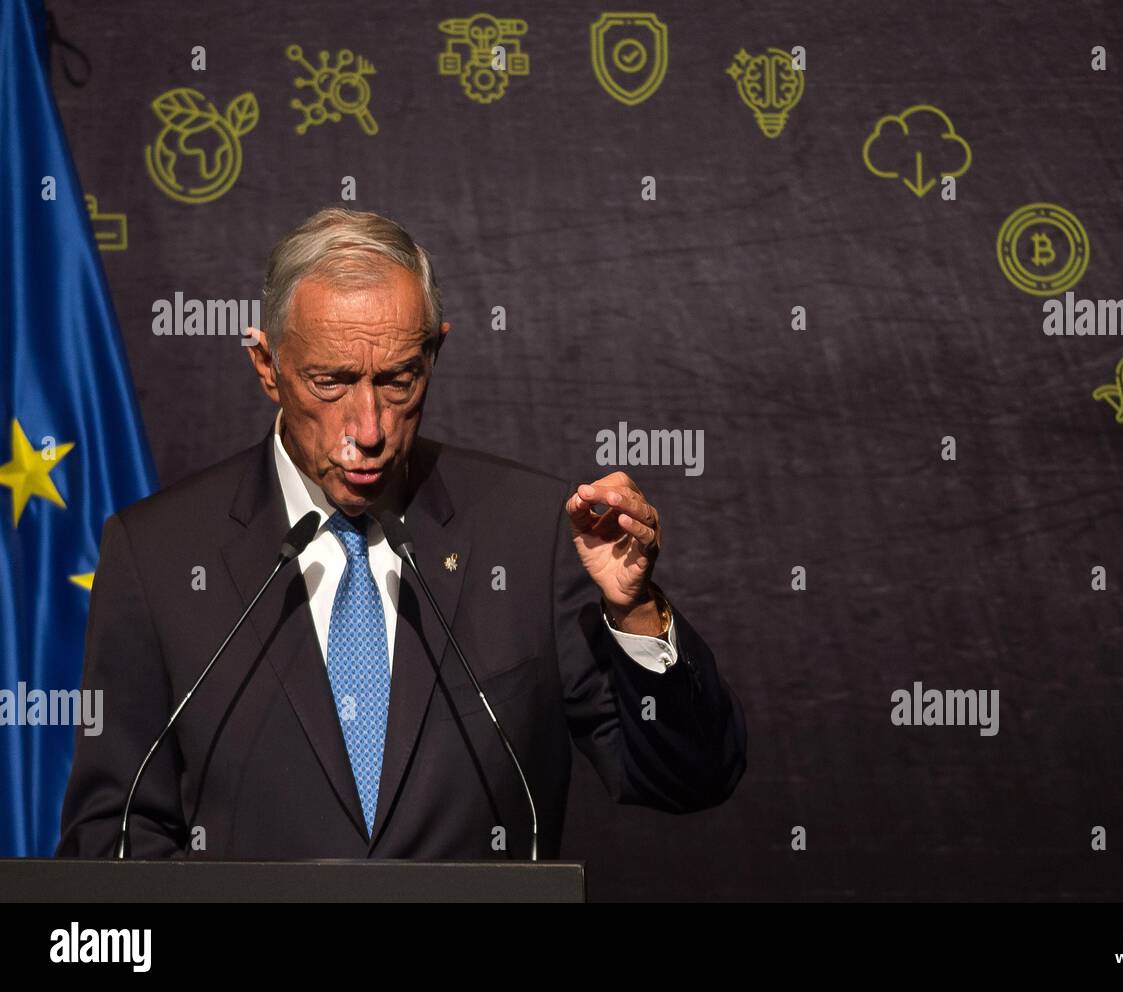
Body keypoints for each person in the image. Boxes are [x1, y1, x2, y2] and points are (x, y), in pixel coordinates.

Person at [56, 208, 746, 859]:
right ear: (267, 366)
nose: (370, 429)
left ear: (434, 356)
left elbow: (690, 778)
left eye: (398, 381)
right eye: (330, 382)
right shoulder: (159, 554)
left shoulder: (530, 532)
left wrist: (636, 611)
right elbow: (114, 835)